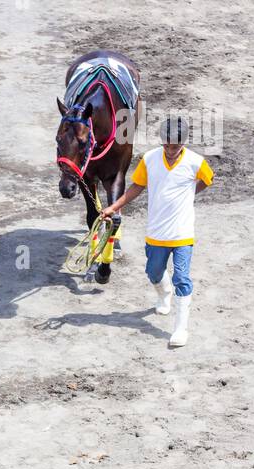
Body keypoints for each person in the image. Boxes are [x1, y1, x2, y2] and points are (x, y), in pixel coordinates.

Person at [100, 115, 214, 347]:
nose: (171, 151)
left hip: (183, 234)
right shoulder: (150, 159)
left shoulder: (196, 161)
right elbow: (136, 187)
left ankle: (180, 329)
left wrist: (189, 194)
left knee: (182, 277)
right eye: (167, 145)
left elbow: (207, 180)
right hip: (156, 232)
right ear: (162, 142)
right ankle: (164, 293)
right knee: (153, 272)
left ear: (184, 143)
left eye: (176, 146)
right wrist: (113, 207)